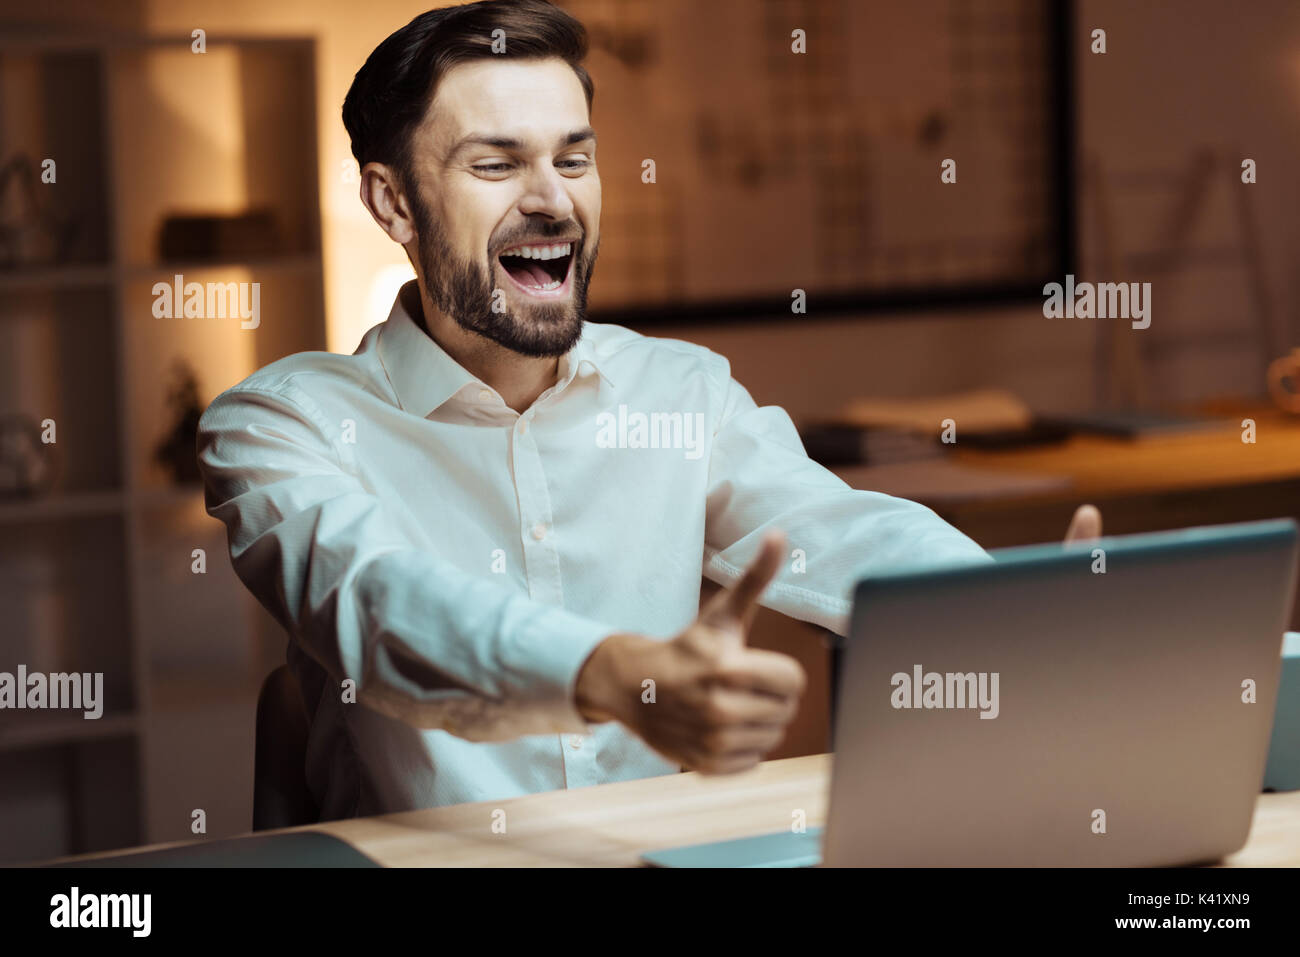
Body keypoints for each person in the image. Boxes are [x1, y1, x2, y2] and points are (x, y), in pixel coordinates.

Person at [197, 0, 1101, 818]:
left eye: (574, 158)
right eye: (497, 163)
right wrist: (609, 676)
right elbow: (381, 607)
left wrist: (1010, 611)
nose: (552, 199)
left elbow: (840, 527)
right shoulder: (281, 424)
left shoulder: (682, 393)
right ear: (393, 201)